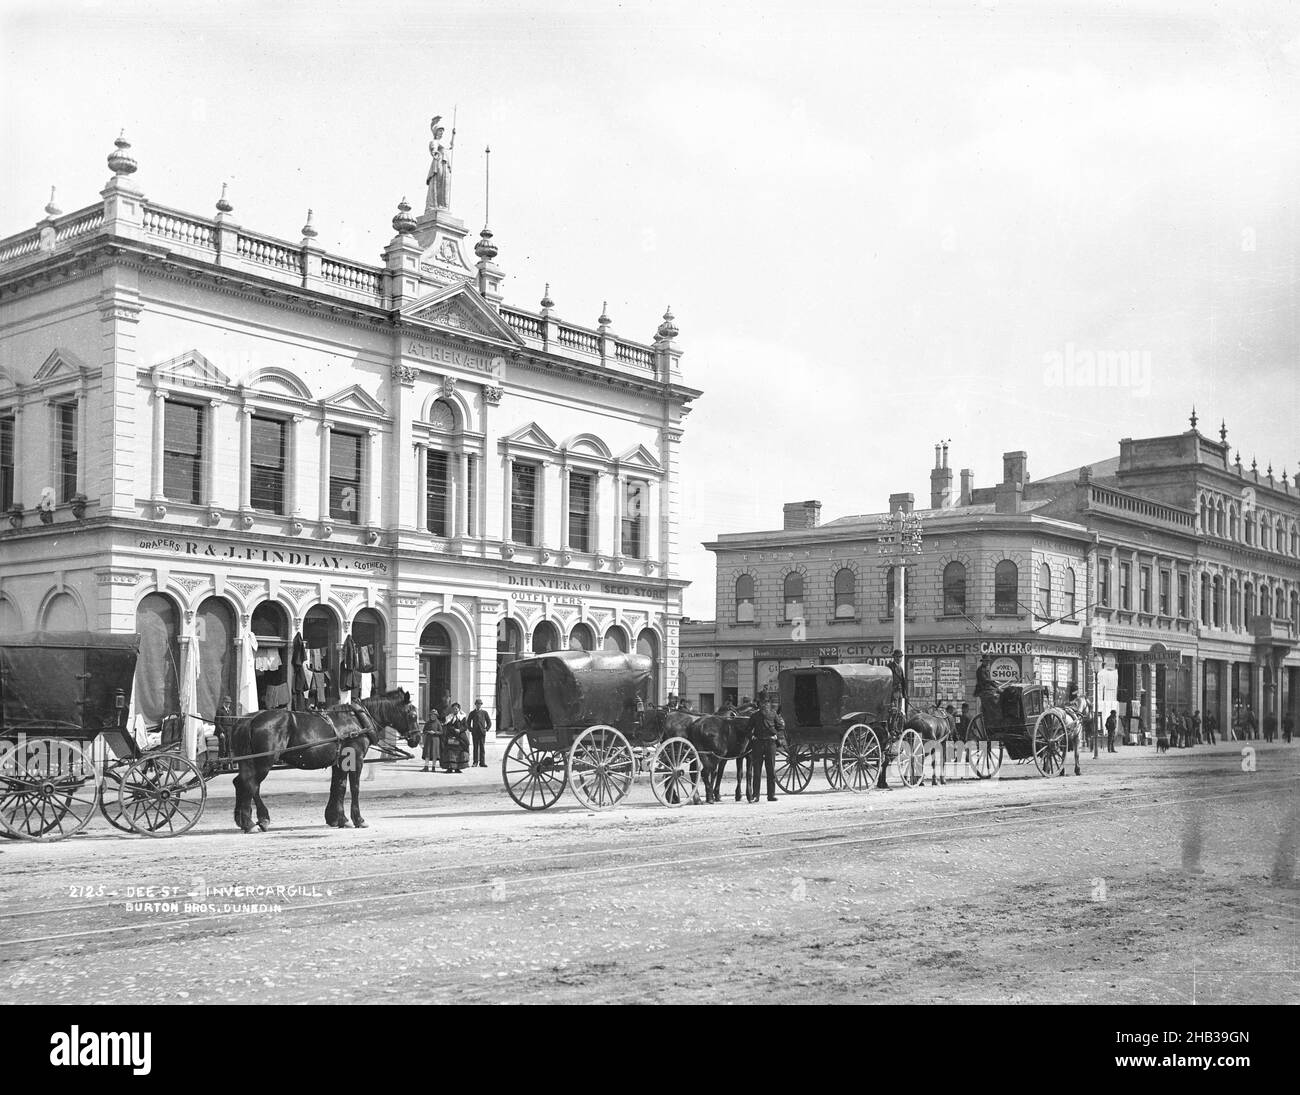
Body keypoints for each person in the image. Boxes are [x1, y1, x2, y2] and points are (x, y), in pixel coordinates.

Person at [746, 694, 783, 802]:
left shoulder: (773, 714)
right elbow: (748, 729)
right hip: (758, 743)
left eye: (766, 703)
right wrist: (751, 737)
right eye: (762, 703)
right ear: (760, 704)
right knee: (757, 771)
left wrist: (777, 735)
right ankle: (756, 795)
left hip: (770, 744)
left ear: (769, 704)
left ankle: (771, 795)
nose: (764, 705)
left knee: (771, 771)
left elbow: (780, 727)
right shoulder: (755, 716)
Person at [441, 702, 470, 773]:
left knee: (464, 745)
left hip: (460, 735)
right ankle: (449, 767)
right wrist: (454, 730)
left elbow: (465, 726)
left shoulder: (462, 717)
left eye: (456, 709)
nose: (455, 710)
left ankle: (458, 768)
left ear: (459, 709)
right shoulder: (449, 717)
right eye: (453, 709)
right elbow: (447, 726)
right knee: (449, 751)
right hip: (451, 735)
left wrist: (460, 730)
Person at [467, 699, 492, 767]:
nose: (478, 705)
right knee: (475, 747)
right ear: (475, 704)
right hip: (475, 732)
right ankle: (475, 762)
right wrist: (471, 729)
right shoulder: (472, 713)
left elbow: (489, 722)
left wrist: (486, 729)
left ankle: (482, 762)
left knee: (482, 747)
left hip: (482, 732)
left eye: (479, 704)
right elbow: (468, 722)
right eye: (477, 704)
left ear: (481, 704)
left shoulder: (484, 712)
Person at [421, 708, 442, 773]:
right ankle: (426, 767)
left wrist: (435, 732)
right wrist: (428, 732)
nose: (433, 716)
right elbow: (424, 731)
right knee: (427, 753)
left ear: (436, 716)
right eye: (432, 715)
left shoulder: (438, 723)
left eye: (434, 715)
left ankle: (433, 767)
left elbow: (441, 732)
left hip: (435, 740)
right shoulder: (427, 723)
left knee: (434, 754)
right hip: (428, 740)